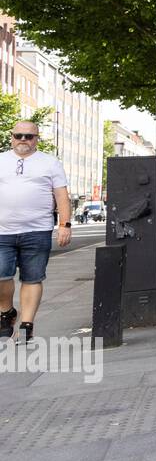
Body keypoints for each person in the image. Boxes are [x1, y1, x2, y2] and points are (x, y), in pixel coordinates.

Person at [0, 121, 72, 345]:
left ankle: (26, 324)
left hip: (37, 230)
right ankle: (7, 312)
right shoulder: (1, 160)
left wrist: (65, 224)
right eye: (19, 135)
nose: (23, 140)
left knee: (32, 277)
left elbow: (61, 195)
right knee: (1, 275)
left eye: (29, 136)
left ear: (36, 139)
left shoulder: (50, 163)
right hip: (2, 231)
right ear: (11, 137)